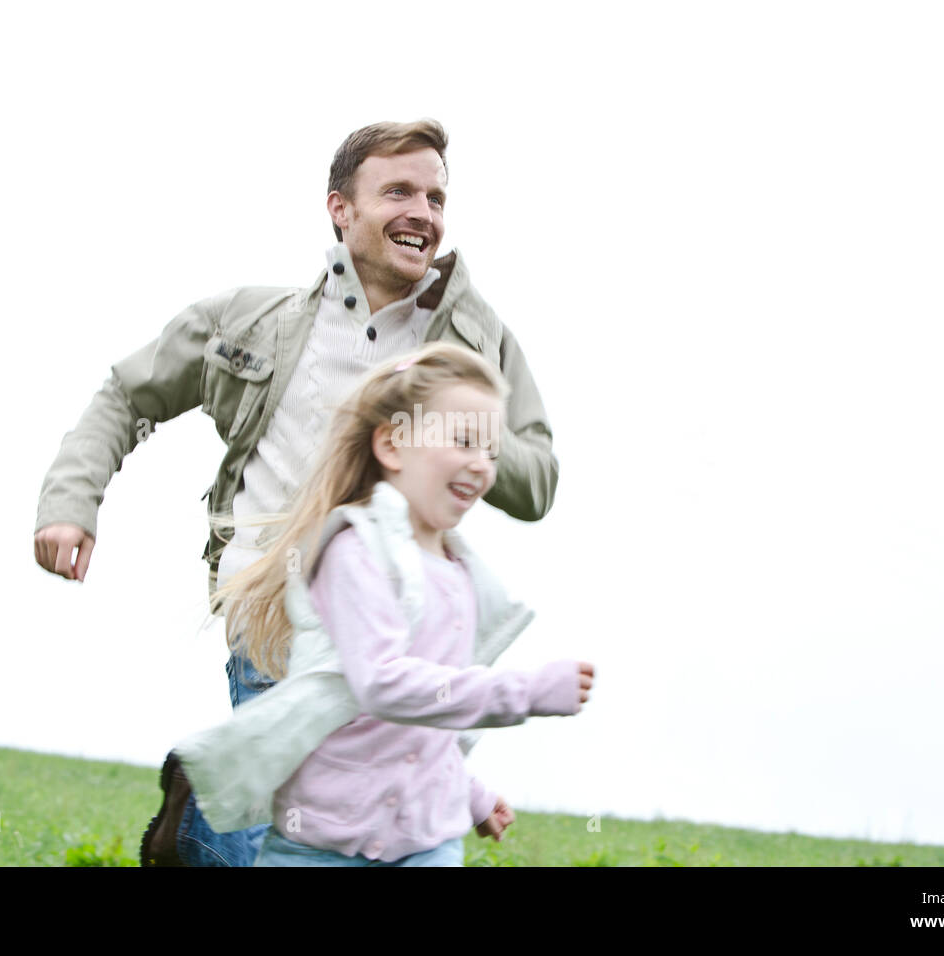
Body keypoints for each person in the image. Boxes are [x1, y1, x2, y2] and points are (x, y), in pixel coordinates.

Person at [33, 119, 559, 866]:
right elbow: (127, 395)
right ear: (340, 209)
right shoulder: (254, 322)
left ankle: (205, 807)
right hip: (277, 617)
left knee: (370, 830)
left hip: (401, 640)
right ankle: (218, 811)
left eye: (437, 197)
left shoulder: (473, 348)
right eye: (399, 191)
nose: (424, 213)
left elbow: (538, 480)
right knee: (289, 837)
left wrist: (459, 430)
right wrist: (69, 503)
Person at [175, 343, 594, 866]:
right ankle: (190, 827)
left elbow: (426, 717)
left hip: (425, 842)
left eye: (491, 451)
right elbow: (383, 685)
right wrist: (523, 692)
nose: (481, 465)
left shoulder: (460, 575)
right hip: (322, 841)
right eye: (464, 441)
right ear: (393, 446)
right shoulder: (356, 552)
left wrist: (468, 793)